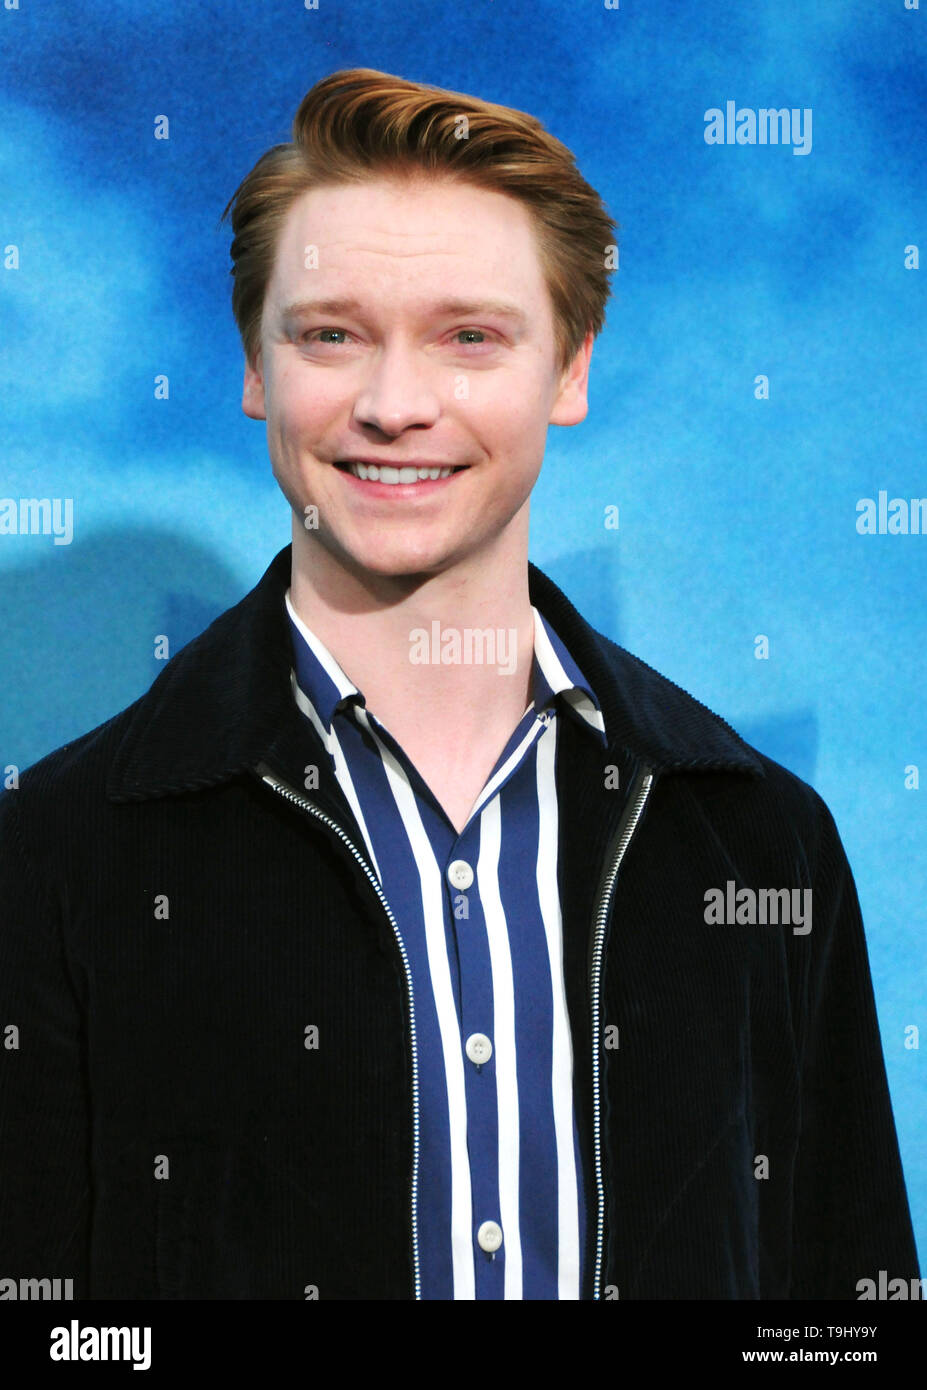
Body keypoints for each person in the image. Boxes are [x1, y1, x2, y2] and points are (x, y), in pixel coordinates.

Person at [0, 67, 918, 1301]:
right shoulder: (59, 853)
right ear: (256, 367)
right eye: (332, 333)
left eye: (469, 337)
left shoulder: (762, 842)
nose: (393, 404)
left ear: (571, 369)